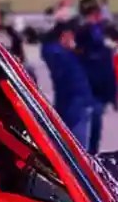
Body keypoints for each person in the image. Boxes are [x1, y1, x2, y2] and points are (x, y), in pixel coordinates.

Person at [40, 21, 96, 150]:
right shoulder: (63, 55)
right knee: (78, 146)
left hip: (69, 102)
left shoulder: (58, 53)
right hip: (76, 103)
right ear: (65, 35)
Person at [74, 0, 118, 153]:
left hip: (100, 82)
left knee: (96, 120)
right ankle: (88, 152)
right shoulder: (83, 32)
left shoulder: (101, 30)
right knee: (91, 118)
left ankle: (92, 152)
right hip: (90, 82)